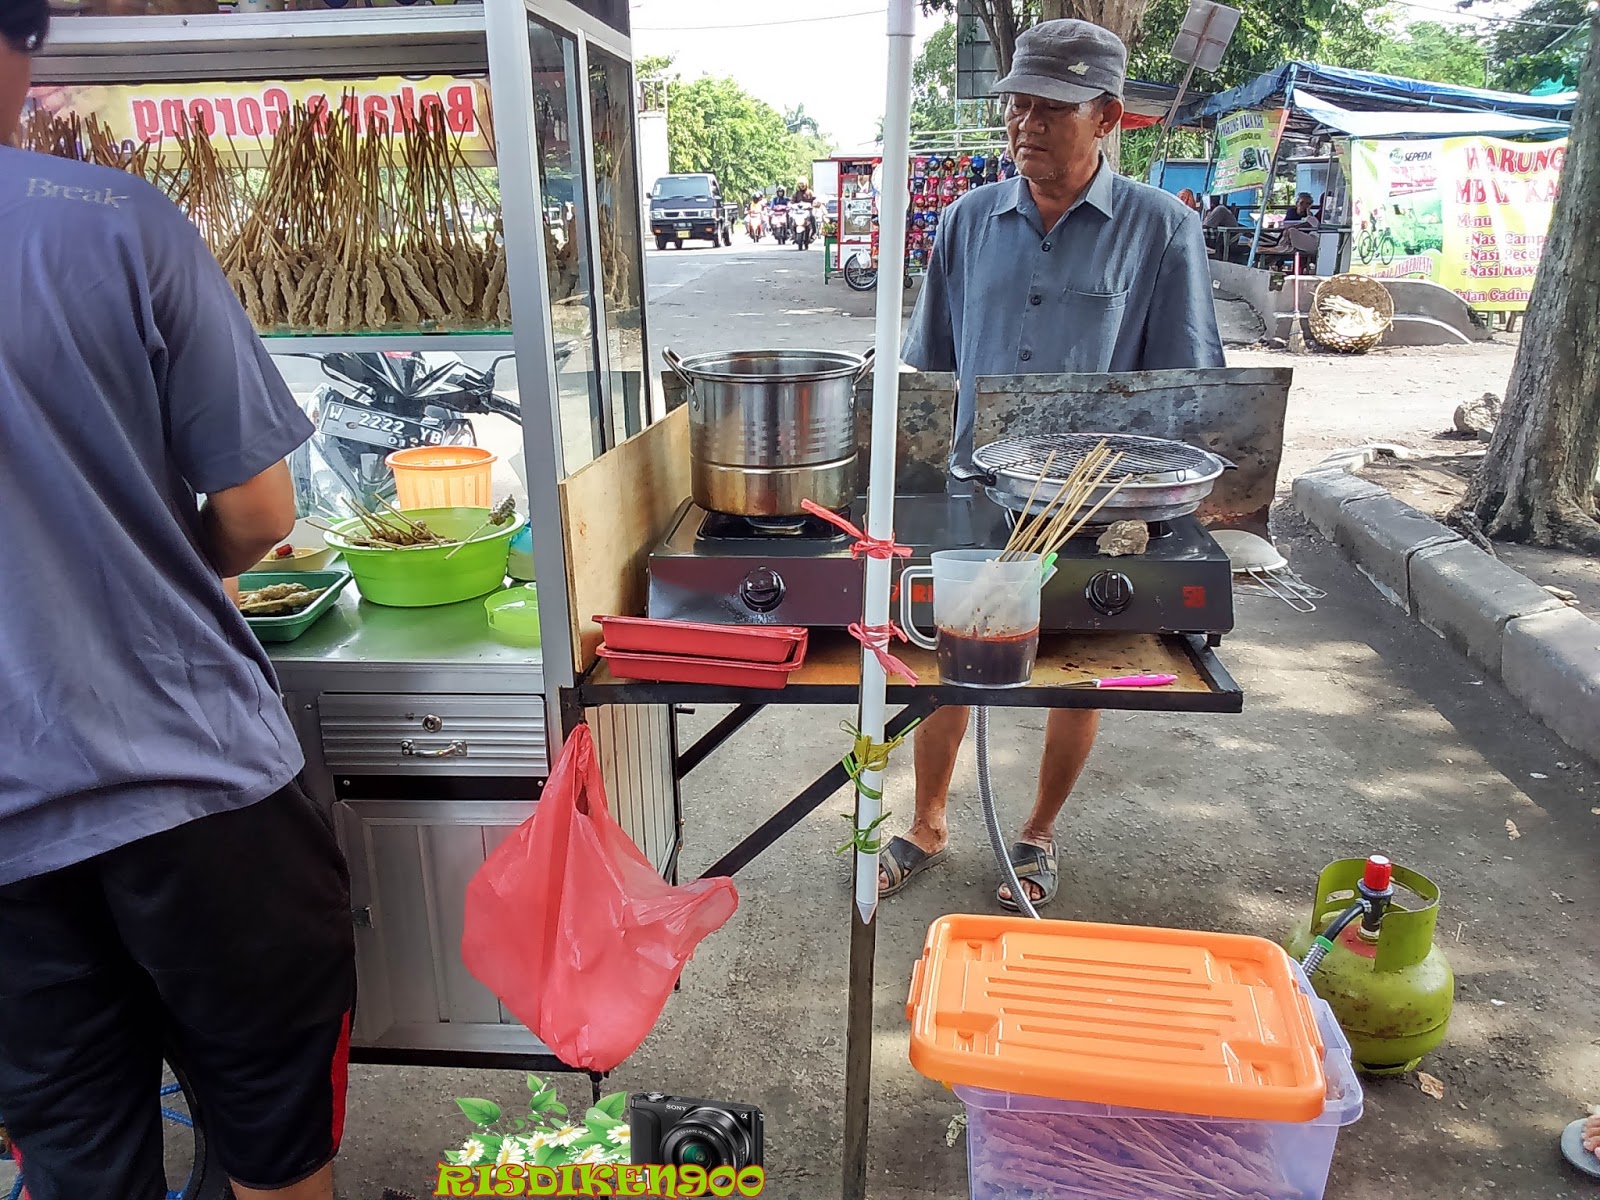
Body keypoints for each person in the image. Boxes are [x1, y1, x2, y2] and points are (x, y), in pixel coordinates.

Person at [0, 6, 356, 1199]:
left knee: (78, 1162)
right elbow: (260, 515)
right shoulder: (111, 222)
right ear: (23, 42)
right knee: (271, 1143)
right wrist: (154, 572)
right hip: (194, 790)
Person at [889, 18, 1224, 910]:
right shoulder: (966, 222)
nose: (1025, 124)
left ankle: (1035, 832)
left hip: (1094, 503)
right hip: (977, 492)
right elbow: (936, 367)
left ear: (1108, 116)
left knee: (1078, 667)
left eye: (1052, 108)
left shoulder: (1160, 229)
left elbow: (1183, 384)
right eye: (1018, 106)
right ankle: (926, 819)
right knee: (953, 658)